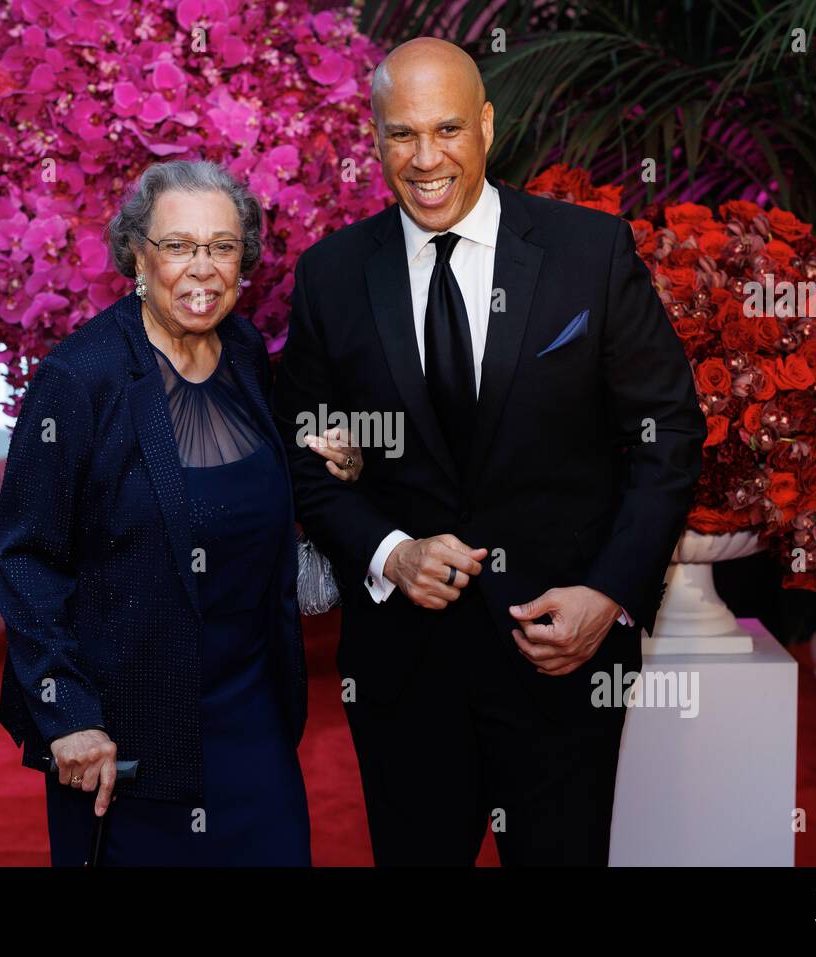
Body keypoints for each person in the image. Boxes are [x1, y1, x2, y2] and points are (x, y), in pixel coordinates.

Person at [272, 38, 707, 866]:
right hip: (403, 673)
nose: (426, 158)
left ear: (487, 126)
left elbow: (668, 433)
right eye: (401, 134)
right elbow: (301, 448)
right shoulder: (330, 276)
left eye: (447, 129)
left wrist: (609, 594)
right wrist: (390, 553)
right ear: (374, 138)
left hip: (560, 657)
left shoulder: (590, 253)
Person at [0, 159, 360, 865]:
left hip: (253, 718)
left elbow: (244, 479)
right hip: (127, 735)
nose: (203, 267)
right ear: (138, 253)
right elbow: (27, 557)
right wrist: (68, 715)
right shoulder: (81, 377)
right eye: (178, 245)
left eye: (222, 246)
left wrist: (320, 454)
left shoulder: (246, 352)